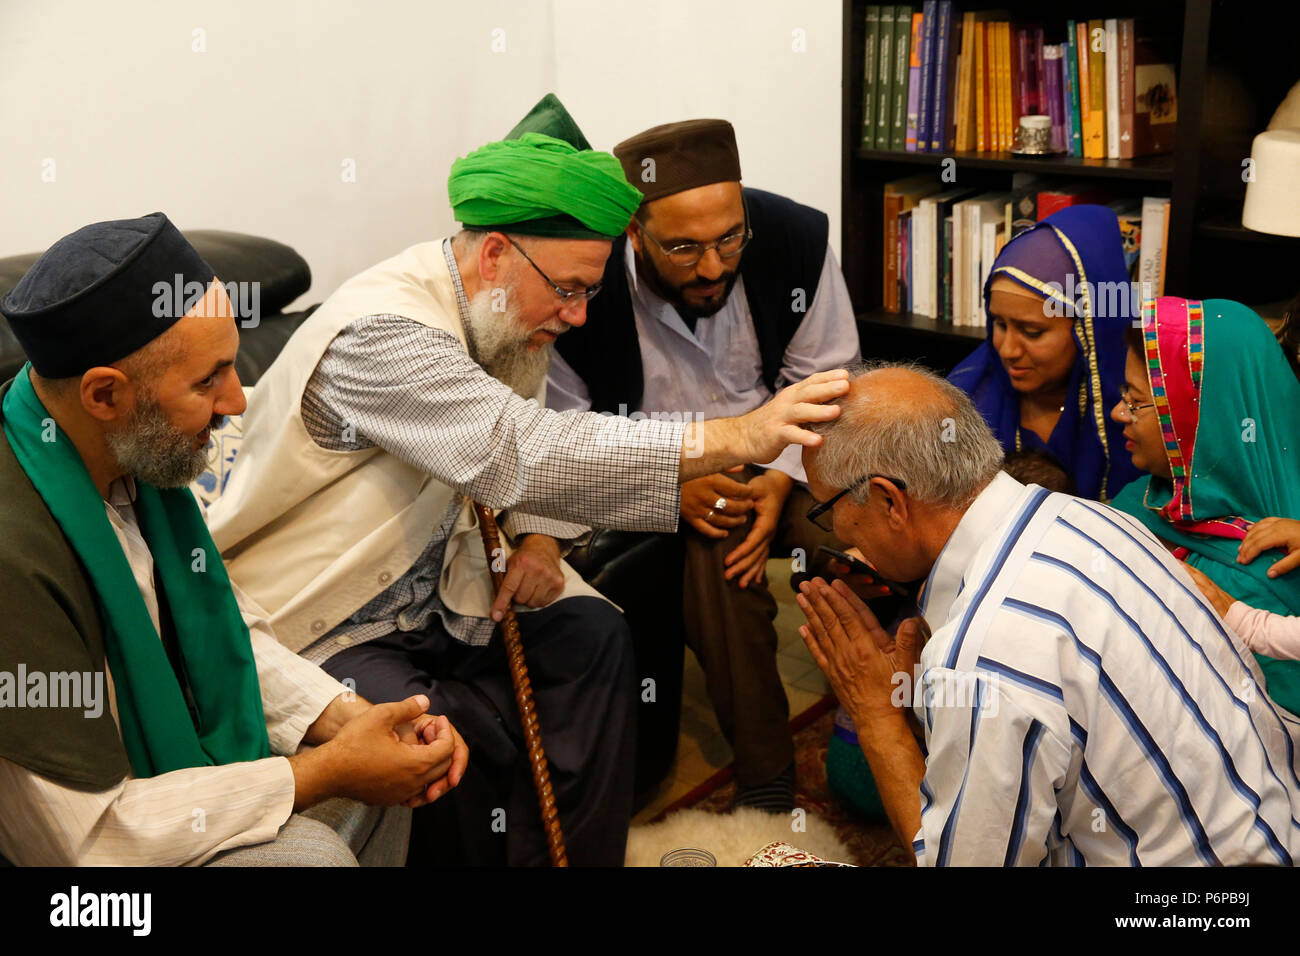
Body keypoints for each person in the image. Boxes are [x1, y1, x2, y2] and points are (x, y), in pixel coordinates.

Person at [205, 95, 848, 866]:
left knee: (595, 636)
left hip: (445, 587)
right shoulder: (381, 334)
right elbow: (522, 451)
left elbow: (526, 481)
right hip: (329, 615)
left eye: (592, 291)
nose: (579, 317)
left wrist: (541, 540)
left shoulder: (507, 315)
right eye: (570, 290)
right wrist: (741, 435)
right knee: (440, 728)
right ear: (496, 254)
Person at [0, 213, 469, 866]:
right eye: (207, 380)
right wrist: (322, 773)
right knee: (311, 857)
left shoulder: (125, 450)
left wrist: (346, 719)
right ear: (104, 394)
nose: (236, 402)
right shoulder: (12, 562)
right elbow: (89, 841)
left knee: (392, 778)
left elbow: (219, 628)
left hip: (148, 797)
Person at [794, 360, 1300, 865]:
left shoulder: (981, 662)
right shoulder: (1102, 519)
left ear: (889, 501)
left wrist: (877, 715)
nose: (837, 534)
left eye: (826, 509)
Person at [546, 118, 860, 809]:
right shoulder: (583, 288)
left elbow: (829, 382)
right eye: (684, 248)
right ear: (634, 233)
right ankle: (769, 779)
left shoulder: (795, 242)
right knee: (723, 550)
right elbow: (563, 439)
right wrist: (665, 489)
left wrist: (781, 479)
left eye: (728, 239)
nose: (714, 266)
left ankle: (899, 725)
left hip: (792, 461)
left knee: (871, 530)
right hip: (661, 478)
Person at [1110, 296, 1300, 717]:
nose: (1118, 412)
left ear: (1201, 418)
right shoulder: (1136, 504)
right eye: (1124, 393)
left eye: (1138, 401)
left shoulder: (1275, 567)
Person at [950, 205, 1140, 502]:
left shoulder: (1134, 415)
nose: (1008, 350)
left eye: (1032, 332)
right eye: (999, 324)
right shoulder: (966, 403)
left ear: (1087, 329)